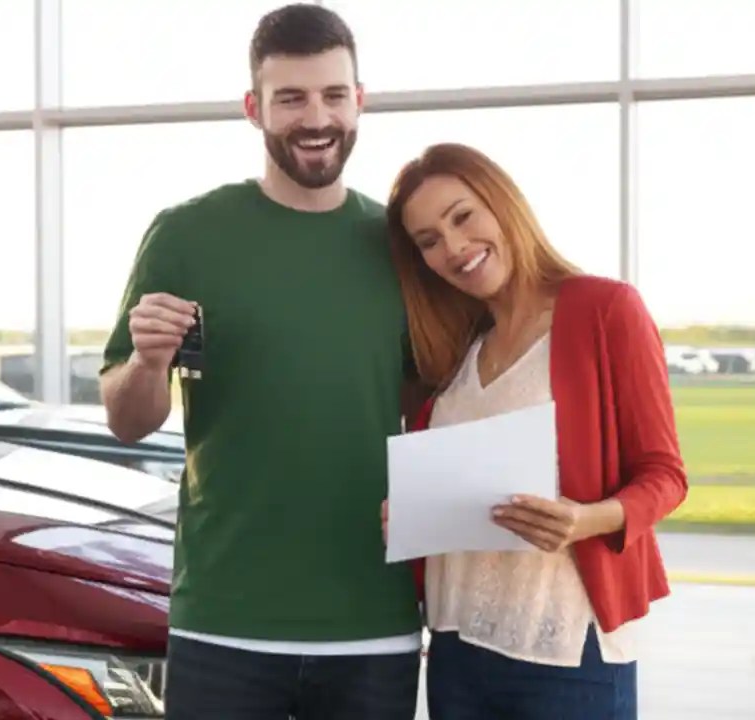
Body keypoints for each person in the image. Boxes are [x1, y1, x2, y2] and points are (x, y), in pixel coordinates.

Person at [99, 4, 422, 718]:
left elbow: (436, 407)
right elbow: (127, 420)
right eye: (292, 98)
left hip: (373, 619)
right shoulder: (187, 235)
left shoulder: (397, 244)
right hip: (225, 620)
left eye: (334, 95)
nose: (317, 117)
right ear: (254, 107)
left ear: (359, 101)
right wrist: (149, 363)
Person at [380, 142, 689, 719]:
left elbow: (666, 476)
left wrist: (586, 519)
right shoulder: (452, 349)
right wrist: (410, 514)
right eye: (429, 241)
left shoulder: (606, 310)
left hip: (567, 648)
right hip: (454, 648)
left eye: (462, 216)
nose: (454, 247)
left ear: (502, 203)